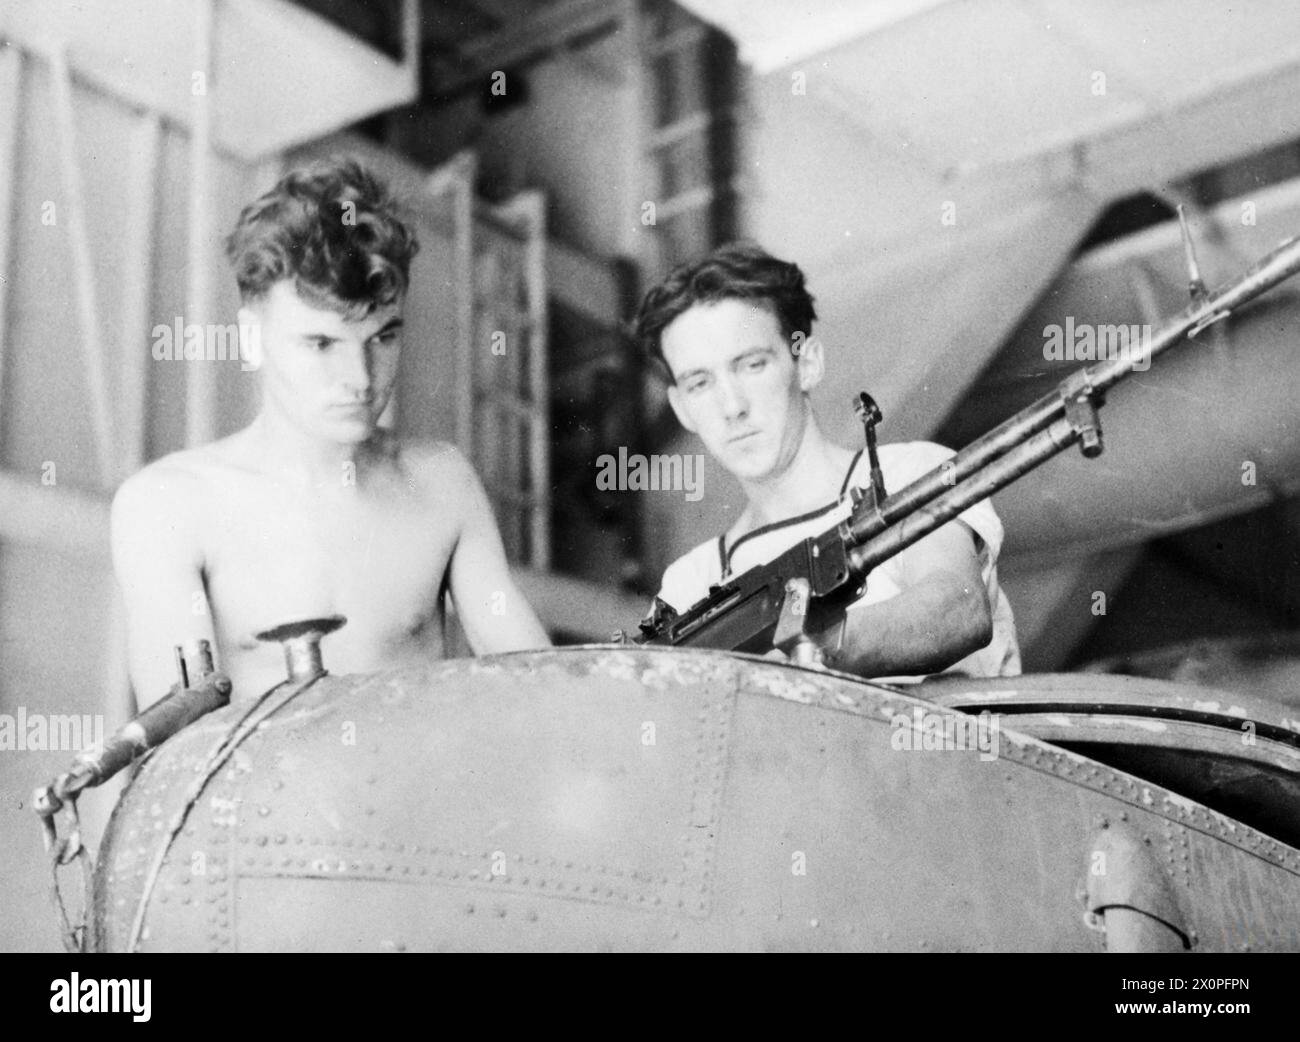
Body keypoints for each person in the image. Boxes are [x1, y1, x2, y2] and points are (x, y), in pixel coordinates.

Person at [111, 157, 550, 707]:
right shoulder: (169, 506)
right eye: (321, 344)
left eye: (383, 337)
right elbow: (177, 755)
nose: (360, 379)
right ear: (251, 338)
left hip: (423, 789)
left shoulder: (443, 484)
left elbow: (543, 687)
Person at [633, 242, 1020, 681]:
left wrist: (802, 654)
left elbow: (956, 610)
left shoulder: (909, 474)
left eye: (752, 365)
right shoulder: (689, 583)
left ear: (808, 364)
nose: (732, 405)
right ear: (682, 408)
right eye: (700, 383)